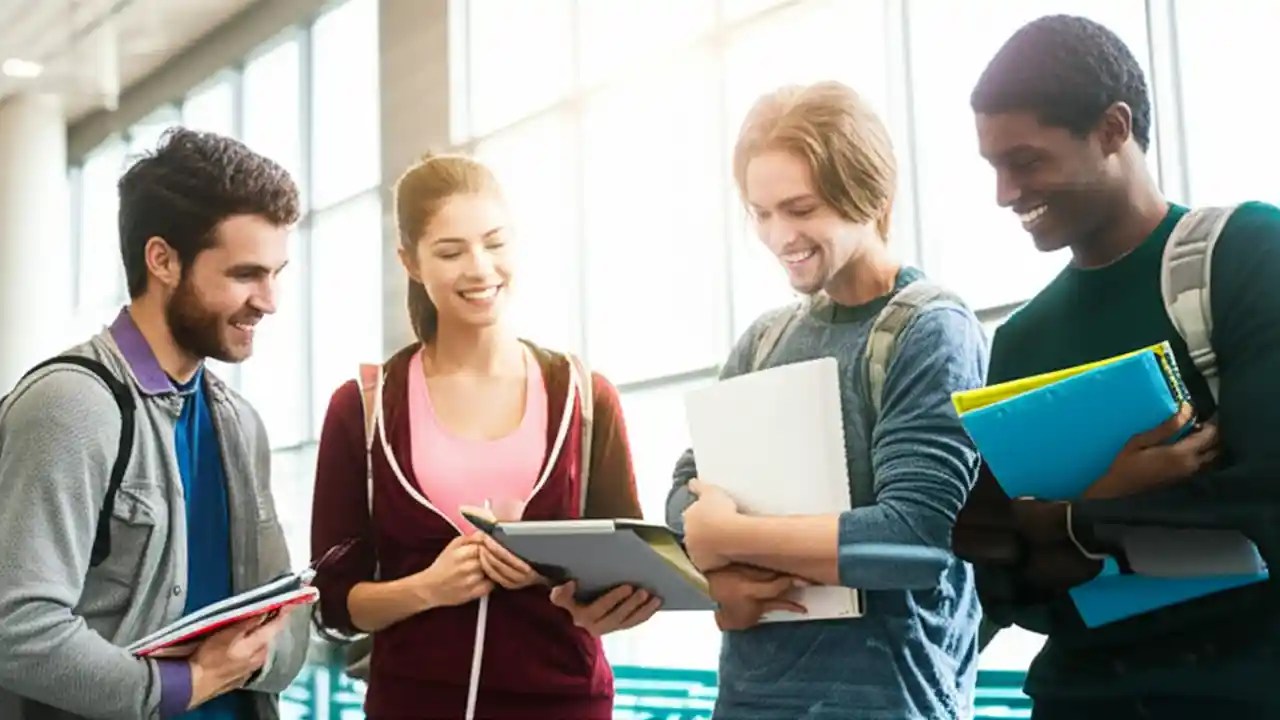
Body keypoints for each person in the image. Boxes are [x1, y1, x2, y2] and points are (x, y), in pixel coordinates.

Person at [951, 14, 1280, 720]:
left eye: (1026, 160)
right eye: (994, 167)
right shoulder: (1018, 342)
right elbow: (1000, 576)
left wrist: (1062, 525)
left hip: (1237, 692)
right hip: (1078, 697)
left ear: (1111, 129)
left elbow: (1264, 512)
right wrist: (1103, 508)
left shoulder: (1249, 256)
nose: (1005, 193)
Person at [666, 81, 988, 720]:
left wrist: (732, 535)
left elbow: (915, 539)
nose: (779, 235)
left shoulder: (930, 330)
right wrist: (716, 574)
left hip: (890, 697)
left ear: (867, 195)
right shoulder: (765, 338)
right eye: (761, 213)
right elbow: (686, 488)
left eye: (800, 208)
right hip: (752, 696)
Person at [309, 153, 659, 720]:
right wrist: (430, 586)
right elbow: (333, 604)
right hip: (413, 704)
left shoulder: (586, 400)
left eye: (495, 243)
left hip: (564, 702)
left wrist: (565, 584)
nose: (479, 268)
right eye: (451, 252)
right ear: (412, 262)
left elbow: (631, 576)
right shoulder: (363, 409)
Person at [0, 127, 310, 719]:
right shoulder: (72, 406)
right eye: (246, 274)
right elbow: (17, 628)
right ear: (163, 260)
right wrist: (181, 687)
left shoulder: (242, 425)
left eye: (277, 273)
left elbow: (292, 623)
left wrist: (257, 653)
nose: (269, 300)